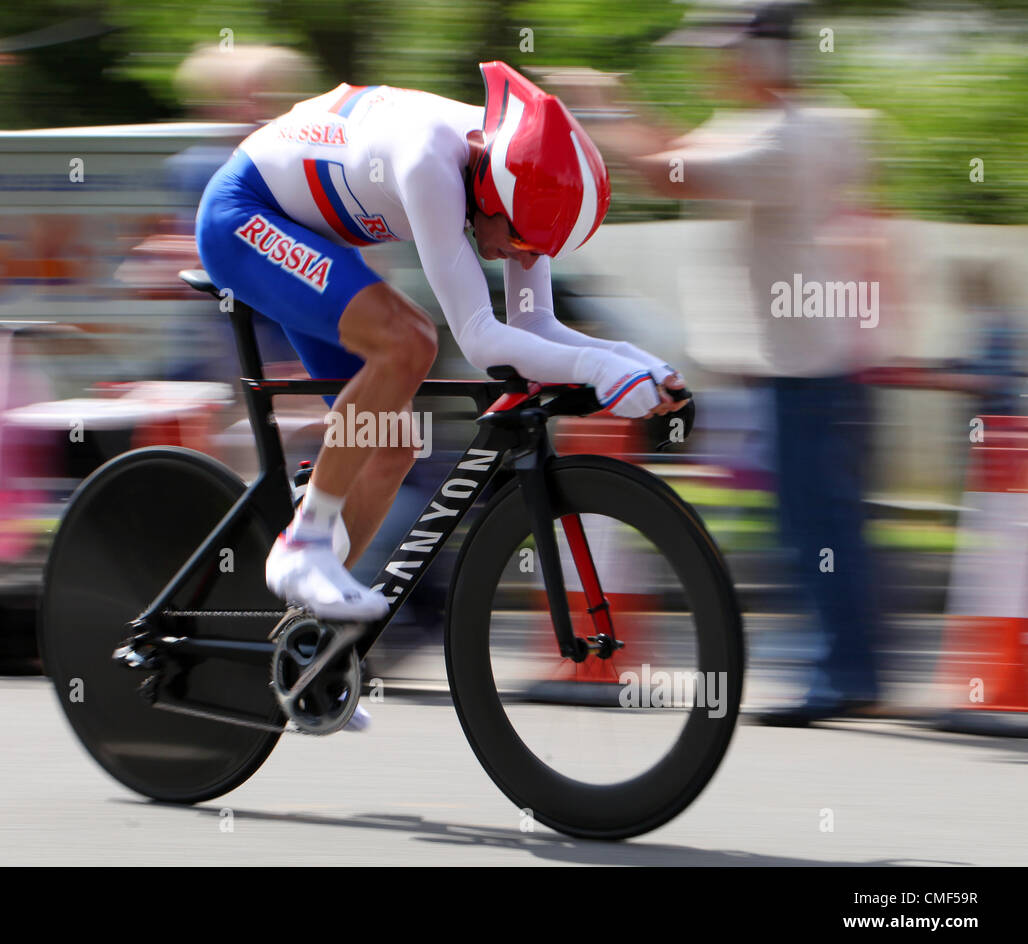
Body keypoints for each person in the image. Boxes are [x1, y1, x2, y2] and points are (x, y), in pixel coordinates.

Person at [195, 62, 689, 624]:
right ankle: (303, 546)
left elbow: (534, 328)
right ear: (493, 193)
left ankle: (312, 637)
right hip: (244, 216)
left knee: (391, 447)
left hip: (312, 231)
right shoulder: (430, 160)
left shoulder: (516, 174)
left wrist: (636, 364)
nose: (527, 259)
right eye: (525, 241)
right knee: (409, 341)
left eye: (544, 250)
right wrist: (600, 369)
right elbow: (481, 338)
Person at [545, 1, 886, 724]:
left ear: (764, 56)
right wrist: (620, 107)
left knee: (815, 529)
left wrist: (599, 108)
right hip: (806, 369)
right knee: (819, 525)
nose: (712, 63)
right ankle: (851, 667)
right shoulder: (809, 122)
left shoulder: (786, 139)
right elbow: (676, 148)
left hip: (807, 372)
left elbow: (669, 174)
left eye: (724, 50)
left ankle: (844, 673)